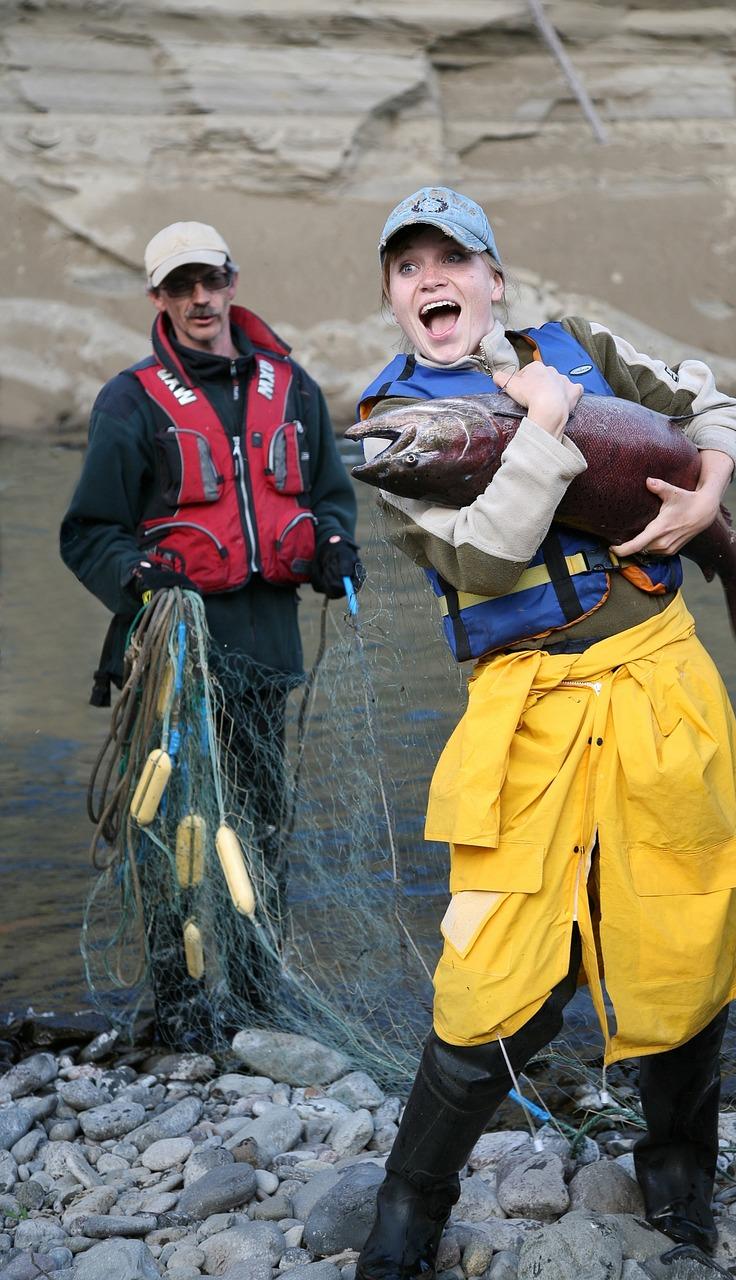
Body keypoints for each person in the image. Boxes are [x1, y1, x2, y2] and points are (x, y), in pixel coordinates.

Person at [352, 187, 736, 1274]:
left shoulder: (581, 343)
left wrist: (708, 502)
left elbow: (713, 407)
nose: (429, 278)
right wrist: (542, 429)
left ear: (493, 277)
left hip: (659, 685)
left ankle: (679, 1172)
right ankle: (410, 1201)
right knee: (493, 965)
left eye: (451, 257)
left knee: (680, 930)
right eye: (407, 267)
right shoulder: (389, 429)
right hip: (529, 715)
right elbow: (482, 561)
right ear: (394, 298)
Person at [60, 220, 362, 1045]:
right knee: (174, 834)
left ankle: (260, 999)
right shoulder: (131, 401)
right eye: (181, 286)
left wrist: (336, 542)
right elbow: (89, 533)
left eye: (212, 281)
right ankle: (181, 1007)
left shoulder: (290, 388)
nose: (200, 299)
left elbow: (331, 497)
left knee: (261, 827)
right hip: (173, 660)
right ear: (158, 297)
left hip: (268, 653)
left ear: (232, 283)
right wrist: (139, 577)